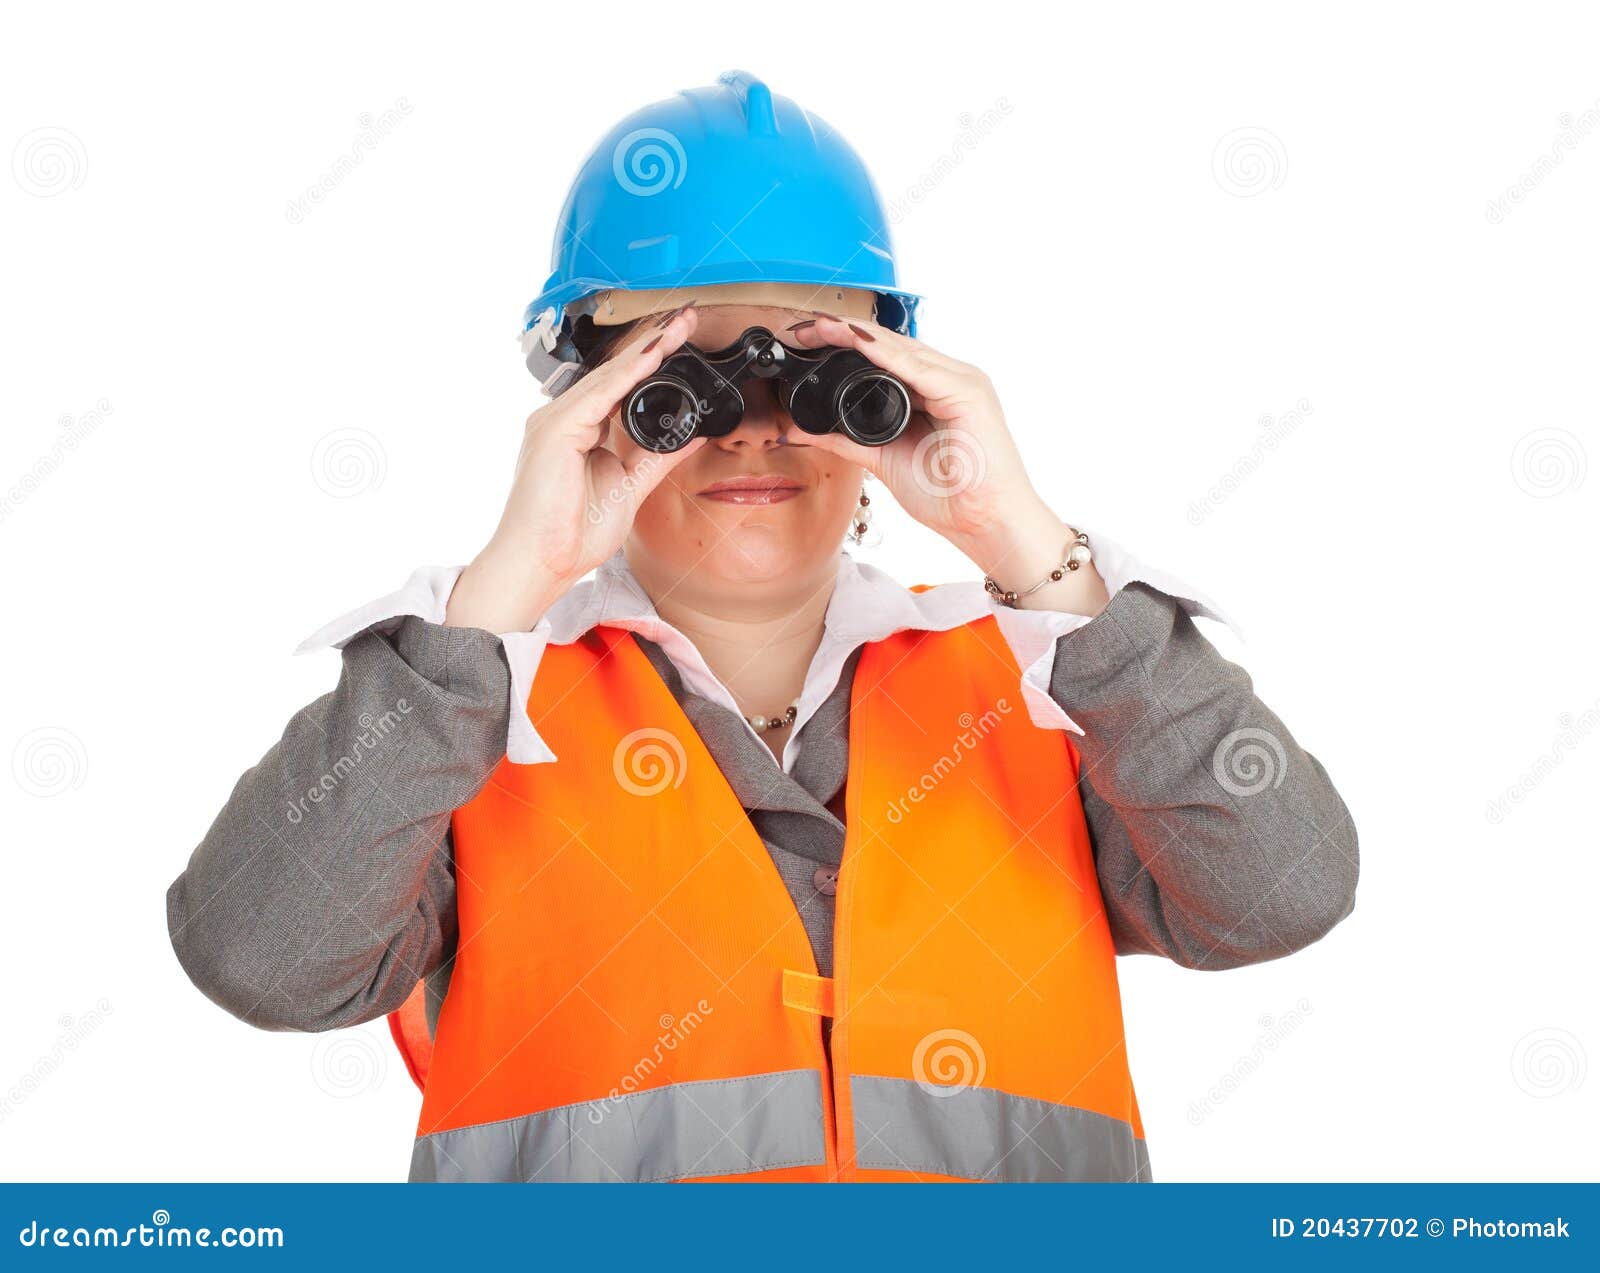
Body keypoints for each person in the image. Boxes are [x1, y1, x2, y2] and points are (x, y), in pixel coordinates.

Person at [166, 71, 1358, 1183]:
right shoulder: (468, 705)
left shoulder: (1049, 677)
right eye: (681, 376)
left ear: (889, 377)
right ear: (585, 398)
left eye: (805, 370)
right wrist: (504, 590)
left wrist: (1025, 546)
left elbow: (1278, 891)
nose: (748, 428)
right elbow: (262, 957)